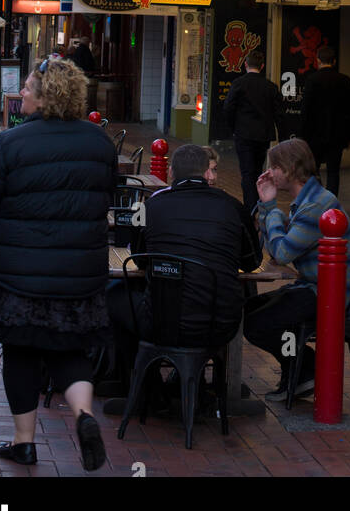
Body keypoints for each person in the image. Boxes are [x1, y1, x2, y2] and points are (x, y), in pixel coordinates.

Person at [0, 56, 117, 470]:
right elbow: (108, 196)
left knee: (21, 352)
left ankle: (24, 442)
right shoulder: (100, 143)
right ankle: (84, 415)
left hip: (18, 277)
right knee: (68, 349)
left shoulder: (8, 145)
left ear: (44, 96)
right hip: (78, 274)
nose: (22, 95)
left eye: (28, 89)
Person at [104, 143, 261, 407]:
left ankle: (144, 385)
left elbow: (140, 261)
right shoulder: (233, 207)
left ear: (171, 173)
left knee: (115, 296)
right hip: (219, 323)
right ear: (206, 173)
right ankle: (207, 387)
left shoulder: (152, 207)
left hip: (162, 323)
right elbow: (252, 262)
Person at [245, 138, 350, 402]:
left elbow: (282, 252)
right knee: (249, 310)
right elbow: (274, 245)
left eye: (273, 166)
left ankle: (304, 367)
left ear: (289, 168)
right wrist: (265, 205)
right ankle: (297, 371)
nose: (269, 172)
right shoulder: (309, 199)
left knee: (256, 324)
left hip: (332, 296)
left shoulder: (315, 206)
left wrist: (271, 208)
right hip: (315, 286)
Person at [223, 50, 281, 213]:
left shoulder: (239, 84)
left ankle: (250, 208)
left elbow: (228, 108)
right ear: (262, 66)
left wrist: (233, 127)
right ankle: (257, 204)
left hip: (243, 133)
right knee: (257, 170)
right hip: (263, 135)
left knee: (247, 172)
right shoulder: (271, 87)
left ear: (246, 65)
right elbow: (279, 114)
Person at [298, 45, 350, 197]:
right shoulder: (345, 81)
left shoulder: (312, 80)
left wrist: (303, 135)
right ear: (334, 61)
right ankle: (331, 205)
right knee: (333, 171)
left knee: (314, 169)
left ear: (318, 61)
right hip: (338, 135)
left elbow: (306, 111)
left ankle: (316, 200)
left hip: (315, 135)